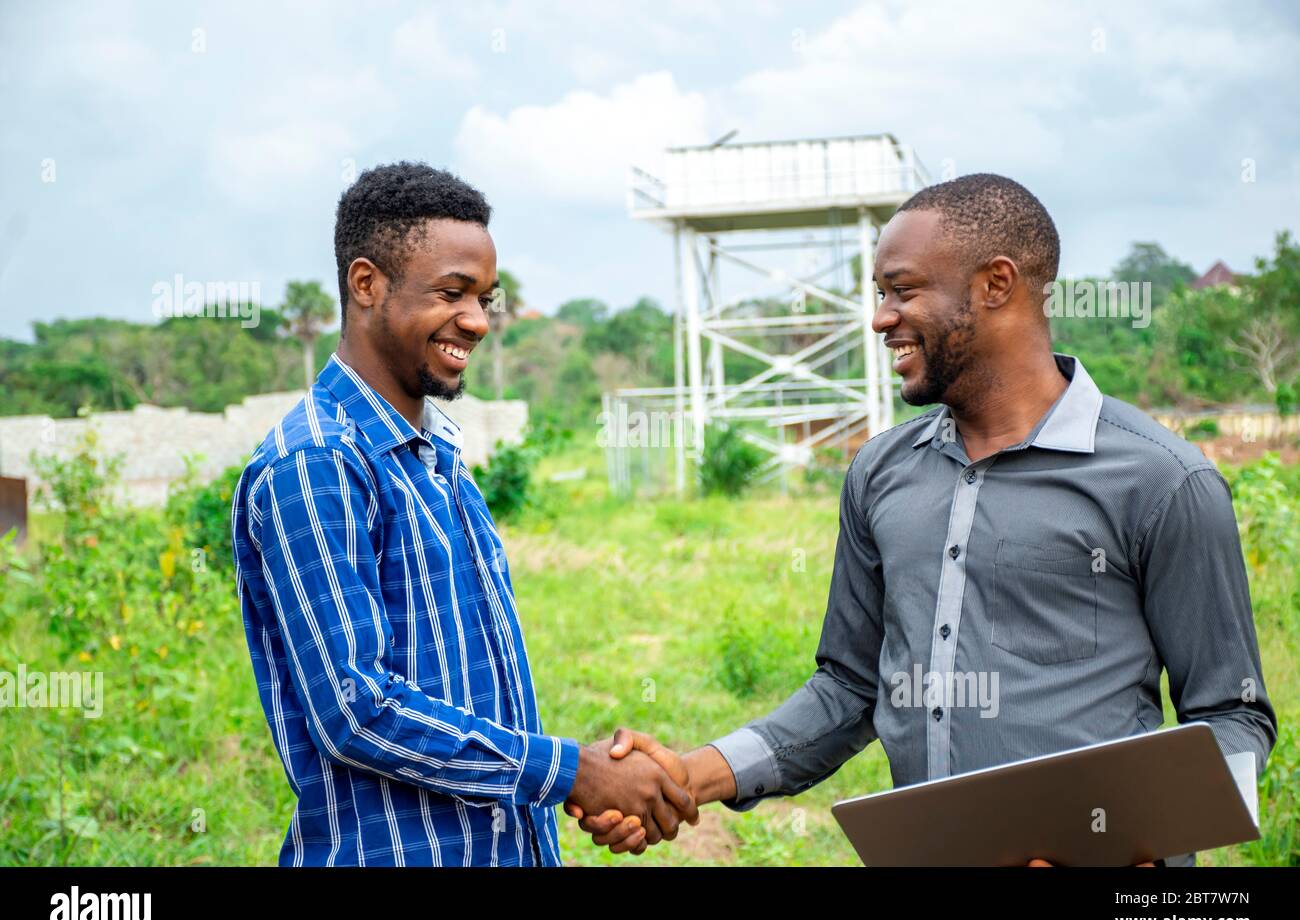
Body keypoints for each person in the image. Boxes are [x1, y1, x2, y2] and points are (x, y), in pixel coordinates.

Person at [571, 173, 1277, 865]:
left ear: (995, 284)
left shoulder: (1163, 480)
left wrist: (1124, 834)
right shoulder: (880, 473)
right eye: (879, 295)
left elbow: (1233, 715)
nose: (880, 319)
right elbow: (851, 688)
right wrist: (688, 777)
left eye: (902, 291)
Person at [231, 161, 695, 866]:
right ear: (366, 285)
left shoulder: (435, 453)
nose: (476, 321)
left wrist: (583, 783)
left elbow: (473, 697)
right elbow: (358, 712)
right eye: (453, 293)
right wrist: (571, 769)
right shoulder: (318, 463)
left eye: (484, 296)